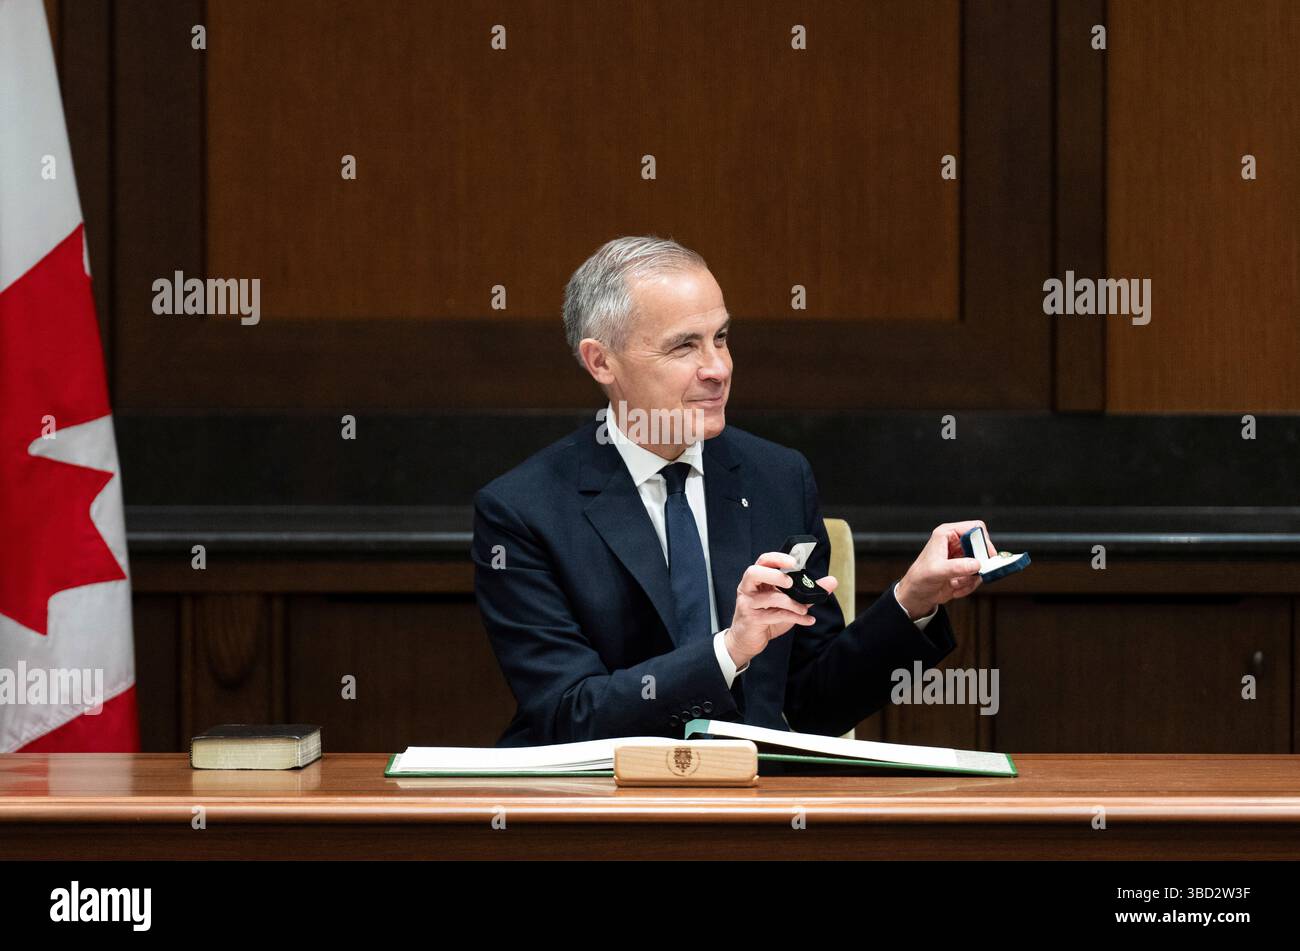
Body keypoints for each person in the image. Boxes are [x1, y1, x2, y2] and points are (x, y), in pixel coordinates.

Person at [472, 236, 988, 745]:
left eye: (720, 337)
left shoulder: (778, 478)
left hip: (755, 802)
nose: (718, 368)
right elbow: (568, 715)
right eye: (684, 346)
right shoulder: (523, 511)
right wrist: (729, 651)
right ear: (601, 362)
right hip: (599, 808)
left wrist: (911, 601)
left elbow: (812, 706)